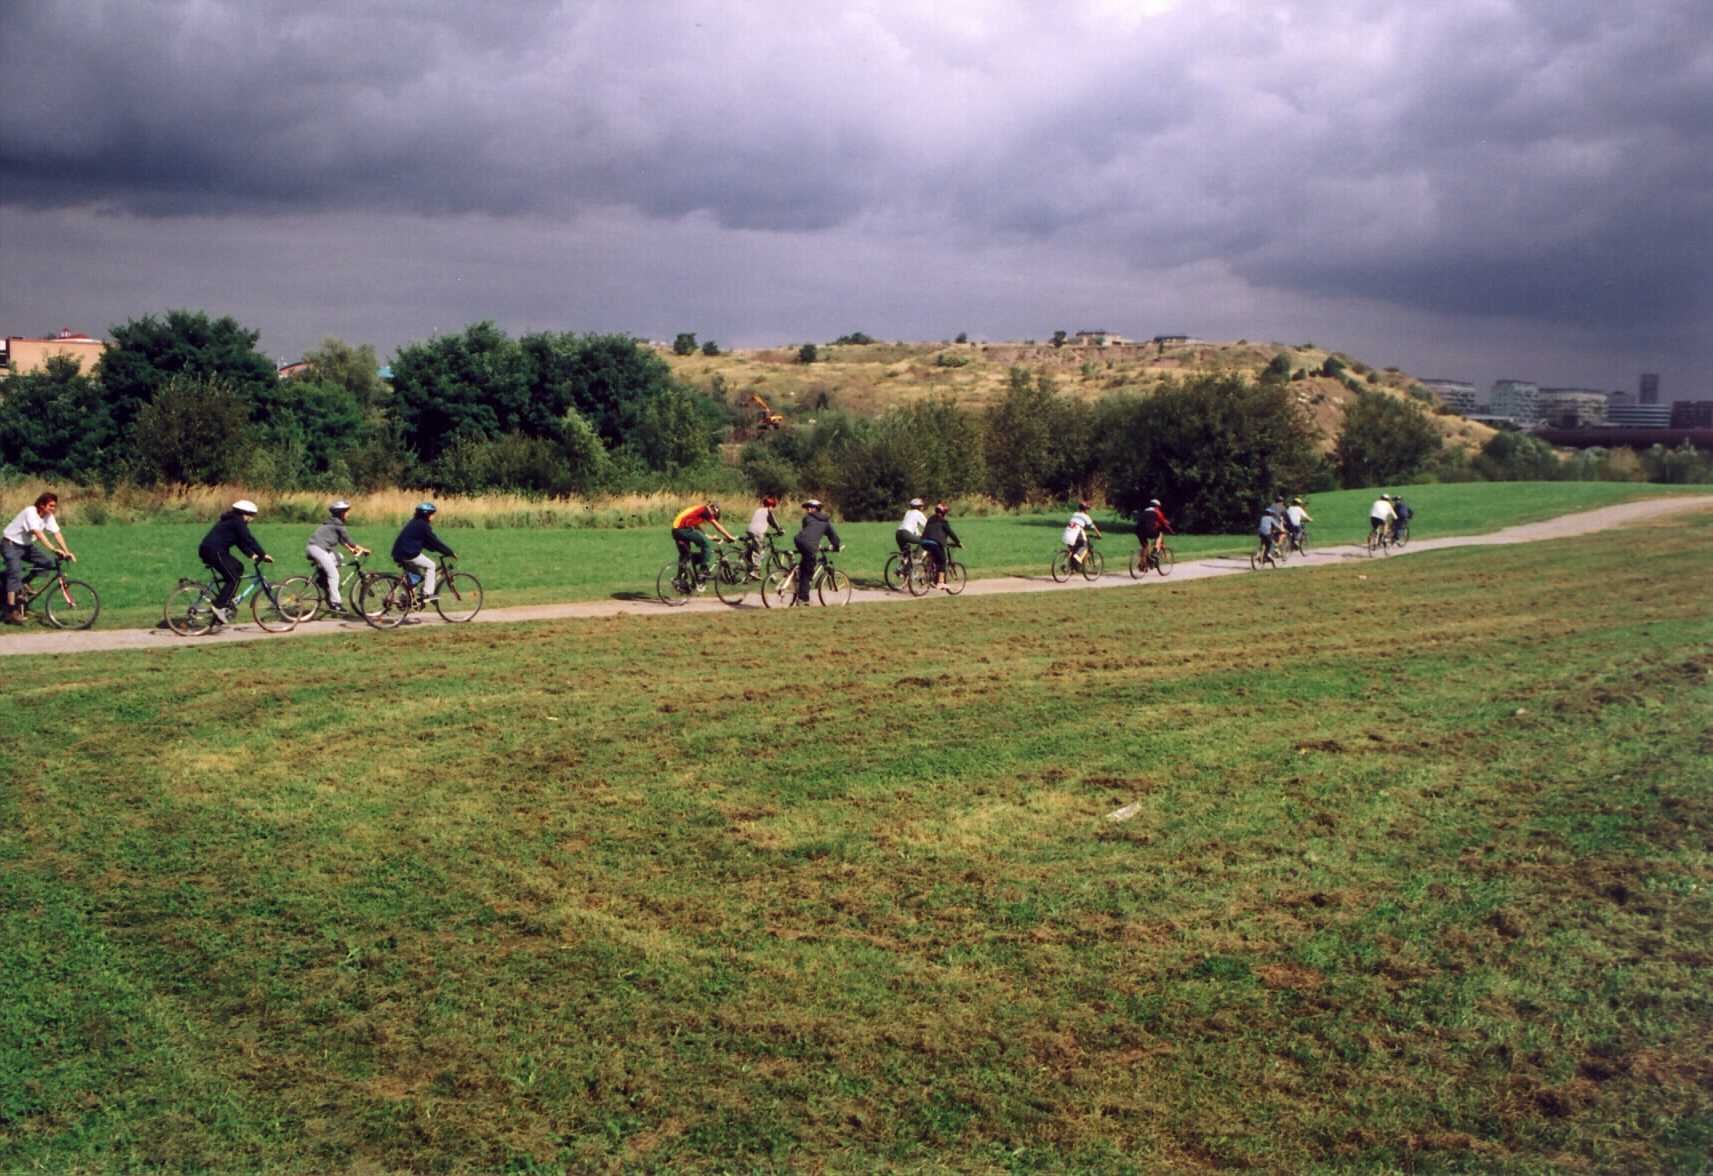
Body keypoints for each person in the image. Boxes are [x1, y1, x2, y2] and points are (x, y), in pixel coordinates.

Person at [4, 492, 76, 624]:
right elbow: (38, 533)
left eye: (54, 506)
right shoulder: (30, 512)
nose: (53, 508)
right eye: (51, 506)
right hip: (10, 544)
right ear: (42, 505)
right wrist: (53, 549)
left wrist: (67, 551)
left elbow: (56, 533)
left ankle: (24, 584)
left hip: (26, 546)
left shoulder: (49, 516)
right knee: (14, 572)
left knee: (47, 563)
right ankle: (11, 612)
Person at [198, 499, 269, 622]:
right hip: (215, 551)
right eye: (252, 515)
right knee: (233, 578)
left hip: (212, 550)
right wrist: (263, 554)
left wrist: (252, 555)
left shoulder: (232, 521)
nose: (252, 519)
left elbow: (240, 542)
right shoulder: (238, 522)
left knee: (238, 567)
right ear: (245, 513)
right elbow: (249, 539)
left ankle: (227, 598)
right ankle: (219, 606)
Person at [306, 499, 371, 615]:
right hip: (318, 550)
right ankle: (336, 603)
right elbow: (349, 541)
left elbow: (341, 540)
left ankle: (322, 577)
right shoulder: (338, 525)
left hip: (315, 548)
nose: (348, 514)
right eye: (347, 512)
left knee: (339, 557)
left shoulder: (331, 523)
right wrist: (362, 549)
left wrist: (351, 550)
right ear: (341, 513)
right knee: (334, 575)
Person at [392, 502, 456, 599]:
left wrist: (435, 549)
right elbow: (435, 541)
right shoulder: (423, 526)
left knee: (417, 576)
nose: (433, 517)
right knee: (431, 566)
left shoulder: (414, 522)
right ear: (427, 515)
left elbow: (425, 542)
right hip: (409, 553)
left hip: (399, 553)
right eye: (432, 514)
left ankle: (405, 598)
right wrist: (449, 552)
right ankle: (427, 593)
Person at [671, 501, 736, 579]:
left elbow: (696, 526)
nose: (712, 517)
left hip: (676, 531)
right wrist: (729, 536)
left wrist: (708, 536)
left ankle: (680, 578)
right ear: (713, 509)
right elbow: (717, 526)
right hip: (683, 530)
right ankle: (703, 569)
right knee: (706, 545)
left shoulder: (699, 510)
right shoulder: (705, 510)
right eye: (714, 515)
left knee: (685, 555)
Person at [793, 499, 842, 602]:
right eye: (807, 508)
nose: (808, 509)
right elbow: (833, 537)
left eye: (810, 507)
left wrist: (815, 544)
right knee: (808, 571)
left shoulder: (807, 518)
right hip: (809, 545)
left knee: (805, 564)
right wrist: (836, 547)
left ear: (816, 508)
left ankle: (799, 582)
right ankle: (803, 598)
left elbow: (808, 532)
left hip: (799, 541)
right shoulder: (825, 522)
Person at [919, 502, 961, 590]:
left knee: (933, 557)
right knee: (942, 560)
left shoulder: (930, 519)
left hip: (924, 541)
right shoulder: (943, 521)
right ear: (944, 513)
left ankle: (928, 575)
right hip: (934, 543)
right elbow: (950, 533)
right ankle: (940, 583)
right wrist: (958, 542)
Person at [743, 495, 783, 574]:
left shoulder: (759, 510)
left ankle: (748, 562)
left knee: (753, 548)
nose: (772, 508)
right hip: (758, 532)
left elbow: (768, 522)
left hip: (750, 530)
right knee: (759, 551)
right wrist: (779, 530)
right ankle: (755, 570)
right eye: (773, 506)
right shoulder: (769, 511)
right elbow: (774, 522)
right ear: (771, 506)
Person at [1063, 500, 1101, 568]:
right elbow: (1093, 527)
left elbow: (1076, 523)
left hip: (1067, 532)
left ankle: (1069, 565)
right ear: (1085, 509)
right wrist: (1099, 534)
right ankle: (1077, 558)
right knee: (1085, 545)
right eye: (1087, 509)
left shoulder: (1074, 514)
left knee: (1072, 548)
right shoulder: (1086, 516)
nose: (1087, 511)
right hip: (1077, 531)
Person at [1136, 498, 1173, 564]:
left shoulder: (1144, 511)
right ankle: (1155, 550)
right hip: (1149, 530)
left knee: (1145, 546)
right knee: (1159, 535)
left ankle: (1142, 563)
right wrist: (1170, 530)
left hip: (1139, 530)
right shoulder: (1157, 511)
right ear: (1157, 506)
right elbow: (1163, 522)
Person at [895, 497, 928, 562]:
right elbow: (927, 525)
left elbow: (913, 526)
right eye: (921, 506)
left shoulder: (908, 512)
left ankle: (904, 566)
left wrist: (918, 534)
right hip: (906, 533)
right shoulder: (918, 513)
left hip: (898, 533)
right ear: (918, 507)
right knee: (925, 541)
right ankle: (916, 557)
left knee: (906, 555)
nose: (923, 507)